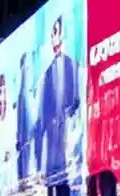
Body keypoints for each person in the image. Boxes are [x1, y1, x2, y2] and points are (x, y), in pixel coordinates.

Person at [39, 14, 80, 183]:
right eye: (53, 33)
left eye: (57, 32)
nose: (55, 38)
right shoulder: (47, 73)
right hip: (52, 143)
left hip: (67, 136)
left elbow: (76, 99)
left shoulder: (72, 64)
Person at [14, 53, 35, 181]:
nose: (26, 70)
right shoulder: (21, 97)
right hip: (23, 149)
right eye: (25, 67)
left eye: (28, 67)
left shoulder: (33, 92)